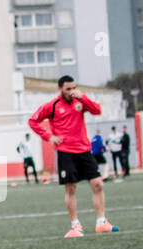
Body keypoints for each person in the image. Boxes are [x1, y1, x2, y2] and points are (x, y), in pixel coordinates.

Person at [28, 75, 118, 237]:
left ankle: (101, 222)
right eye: (68, 89)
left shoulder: (80, 101)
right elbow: (33, 121)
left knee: (98, 184)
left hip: (84, 150)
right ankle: (75, 226)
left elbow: (97, 110)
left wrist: (83, 97)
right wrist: (49, 136)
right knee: (71, 188)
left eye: (73, 88)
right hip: (65, 152)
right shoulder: (52, 106)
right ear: (60, 89)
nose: (71, 92)